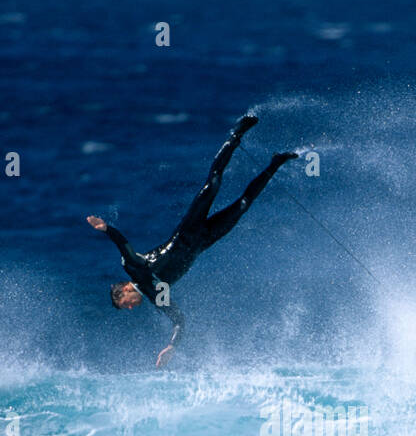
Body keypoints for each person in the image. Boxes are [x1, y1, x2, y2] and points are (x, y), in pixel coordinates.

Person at [88, 114, 297, 367]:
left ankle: (235, 135)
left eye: (125, 305)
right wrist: (171, 346)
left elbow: (123, 244)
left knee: (214, 183)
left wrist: (106, 228)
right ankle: (275, 163)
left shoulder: (134, 268)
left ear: (125, 290)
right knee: (243, 205)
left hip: (188, 230)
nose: (131, 308)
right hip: (202, 242)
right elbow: (179, 320)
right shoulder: (158, 298)